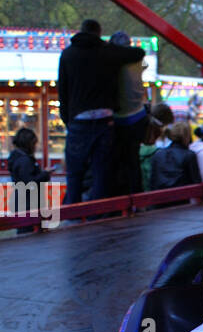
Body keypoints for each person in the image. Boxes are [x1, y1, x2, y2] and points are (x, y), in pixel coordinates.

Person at [57, 19, 145, 204]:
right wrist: (111, 47)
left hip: (79, 119)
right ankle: (95, 217)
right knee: (101, 173)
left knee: (75, 174)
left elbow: (62, 91)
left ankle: (72, 215)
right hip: (105, 119)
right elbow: (138, 53)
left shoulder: (67, 55)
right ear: (99, 32)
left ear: (81, 31)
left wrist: (68, 119)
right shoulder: (106, 52)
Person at [108, 30, 149, 195]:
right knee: (133, 160)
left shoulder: (113, 64)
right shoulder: (140, 61)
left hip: (119, 118)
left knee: (117, 161)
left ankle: (120, 196)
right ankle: (136, 197)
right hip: (138, 115)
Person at [150, 122, 201, 190]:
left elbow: (152, 182)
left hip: (159, 198)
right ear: (187, 136)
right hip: (182, 197)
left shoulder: (158, 154)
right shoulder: (189, 155)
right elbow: (196, 182)